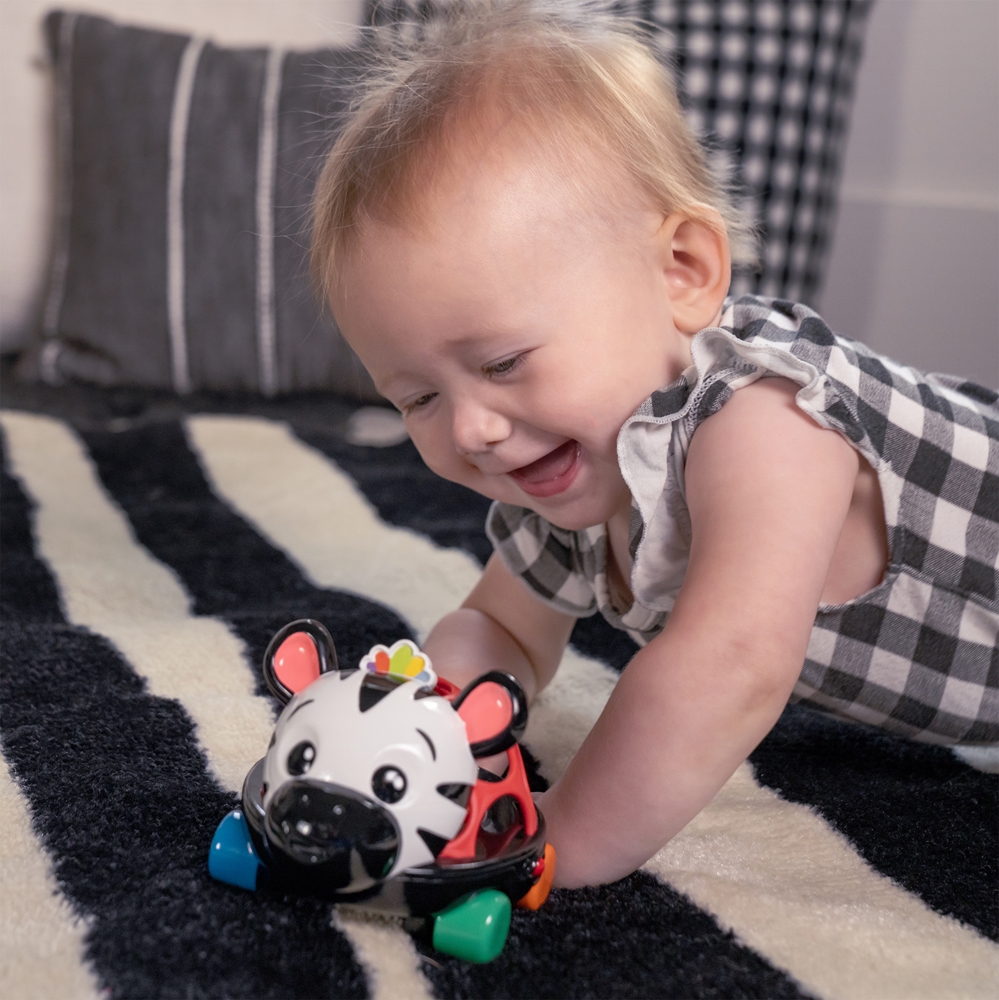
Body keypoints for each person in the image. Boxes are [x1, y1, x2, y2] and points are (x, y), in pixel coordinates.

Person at [311, 1, 998, 888]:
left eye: (505, 361)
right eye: (417, 397)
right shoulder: (573, 478)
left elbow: (731, 663)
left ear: (682, 273)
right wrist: (431, 729)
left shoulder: (766, 419)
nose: (472, 427)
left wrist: (563, 837)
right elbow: (500, 631)